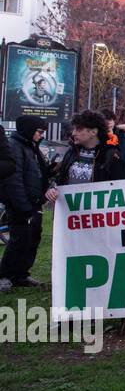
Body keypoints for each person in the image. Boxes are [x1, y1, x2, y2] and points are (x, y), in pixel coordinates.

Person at [1, 115, 52, 289]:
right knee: (19, 240)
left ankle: (21, 274)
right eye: (39, 131)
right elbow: (14, 179)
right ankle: (5, 275)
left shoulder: (30, 146)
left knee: (32, 239)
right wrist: (23, 206)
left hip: (33, 202)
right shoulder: (15, 147)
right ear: (29, 130)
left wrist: (49, 172)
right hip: (21, 205)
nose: (41, 135)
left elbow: (35, 173)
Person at [50, 110, 125, 190]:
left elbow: (121, 188)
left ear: (93, 132)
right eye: (74, 129)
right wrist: (53, 189)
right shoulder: (72, 152)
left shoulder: (111, 155)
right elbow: (59, 180)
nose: (73, 133)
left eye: (78, 129)